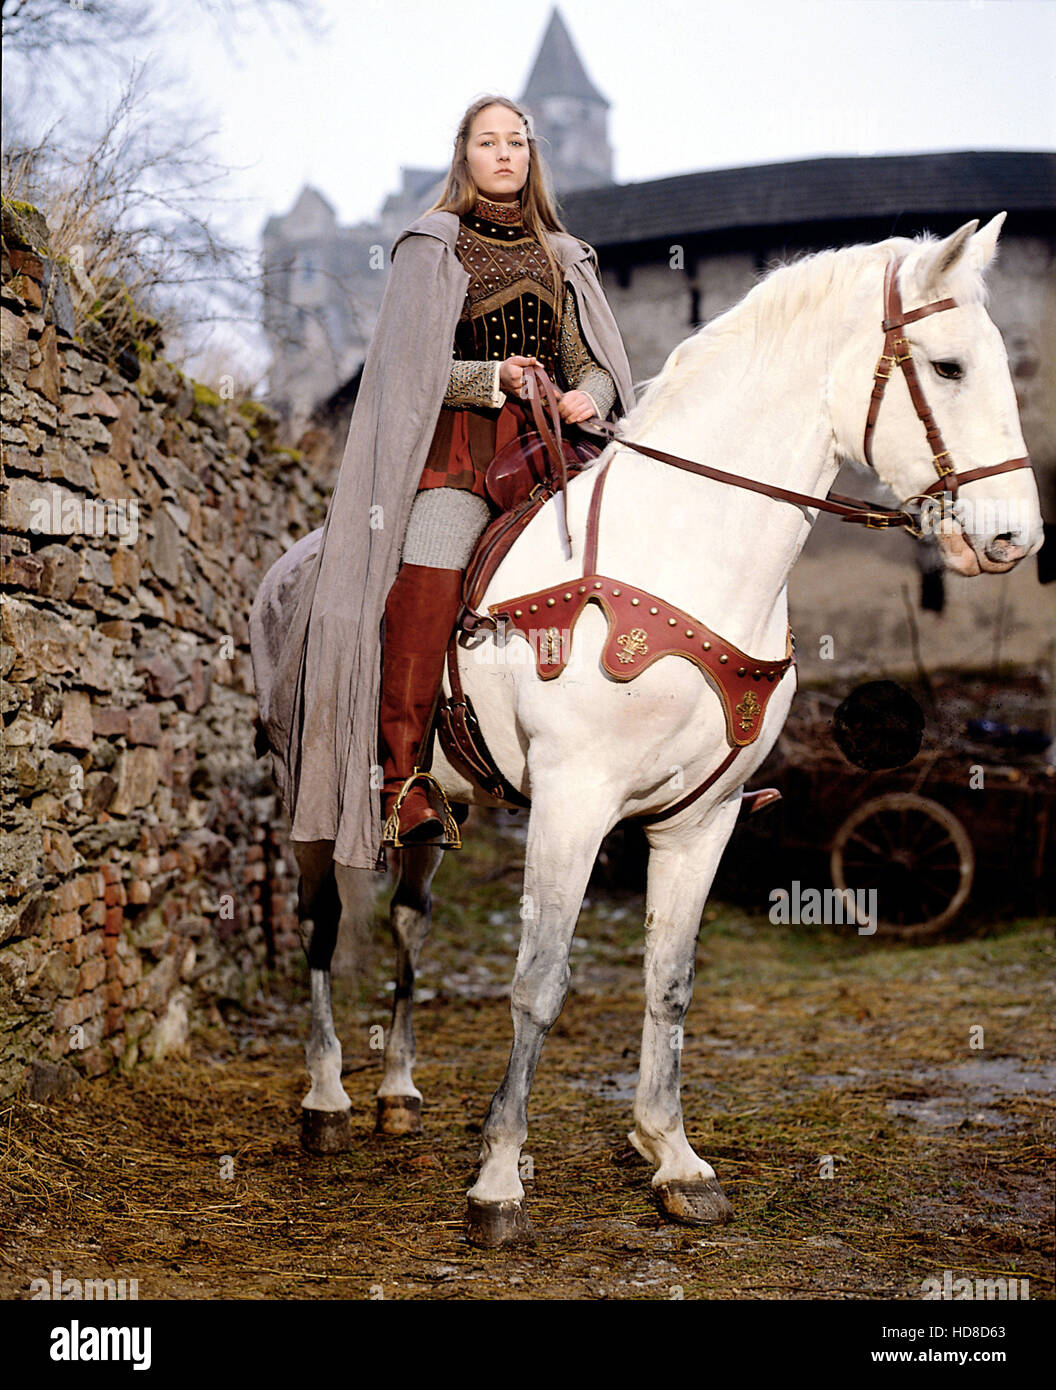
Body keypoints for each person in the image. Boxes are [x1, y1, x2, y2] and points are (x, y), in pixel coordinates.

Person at [261, 95, 634, 871]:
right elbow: (406, 370)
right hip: (462, 456)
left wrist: (587, 395)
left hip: (557, 455)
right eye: (487, 142)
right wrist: (493, 376)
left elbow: (594, 362)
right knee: (430, 567)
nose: (503, 154)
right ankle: (404, 781)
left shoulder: (563, 256)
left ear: (532, 155)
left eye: (516, 142)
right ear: (463, 154)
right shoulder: (433, 247)